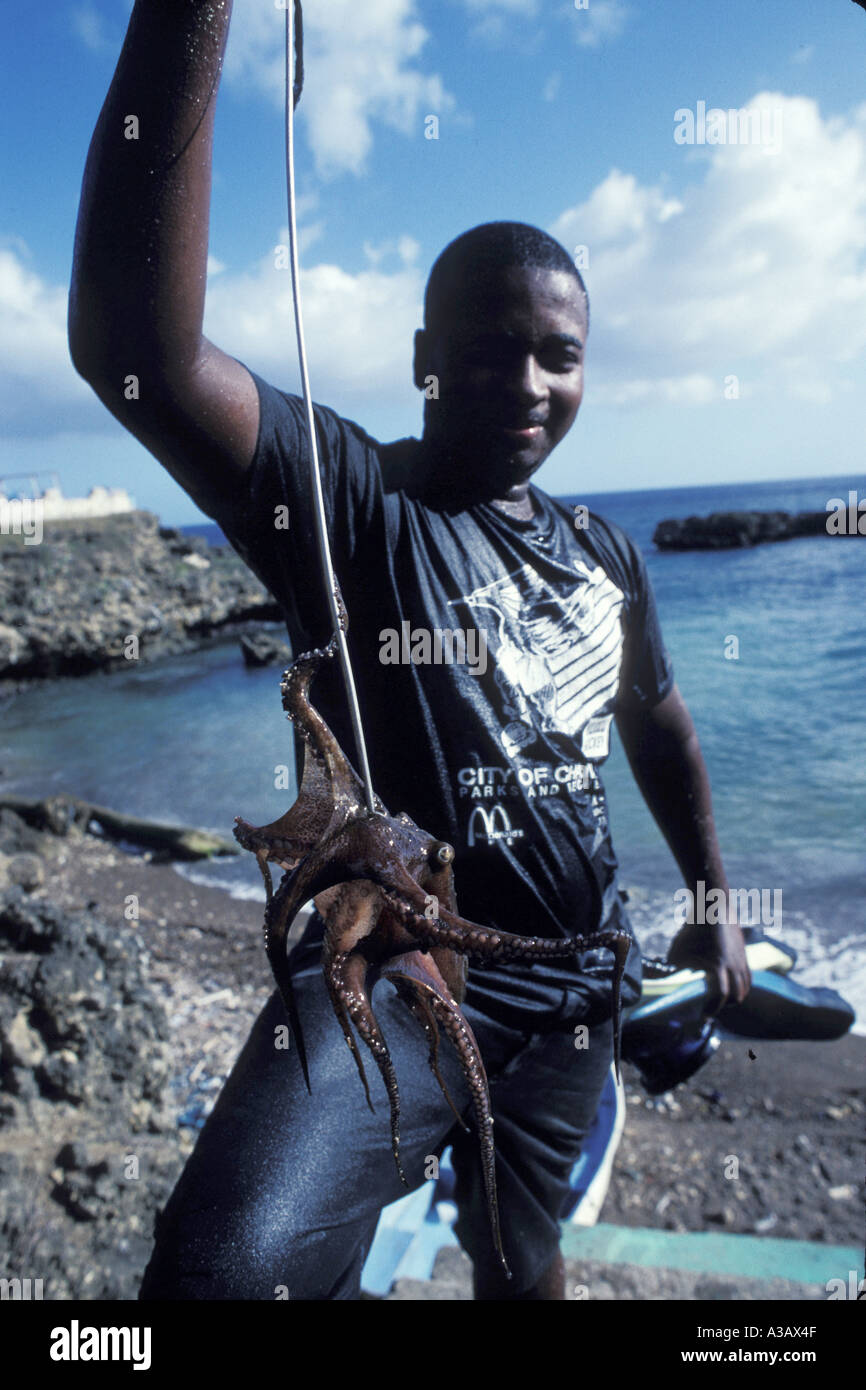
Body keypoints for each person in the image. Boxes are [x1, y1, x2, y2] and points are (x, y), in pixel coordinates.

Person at [69, 1, 751, 1301]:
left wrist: (714, 900)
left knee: (521, 1250)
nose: (531, 378)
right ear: (428, 360)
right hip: (393, 978)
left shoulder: (606, 555)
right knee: (227, 1266)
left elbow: (658, 725)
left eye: (560, 354)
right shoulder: (348, 501)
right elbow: (136, 354)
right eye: (493, 346)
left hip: (568, 993)